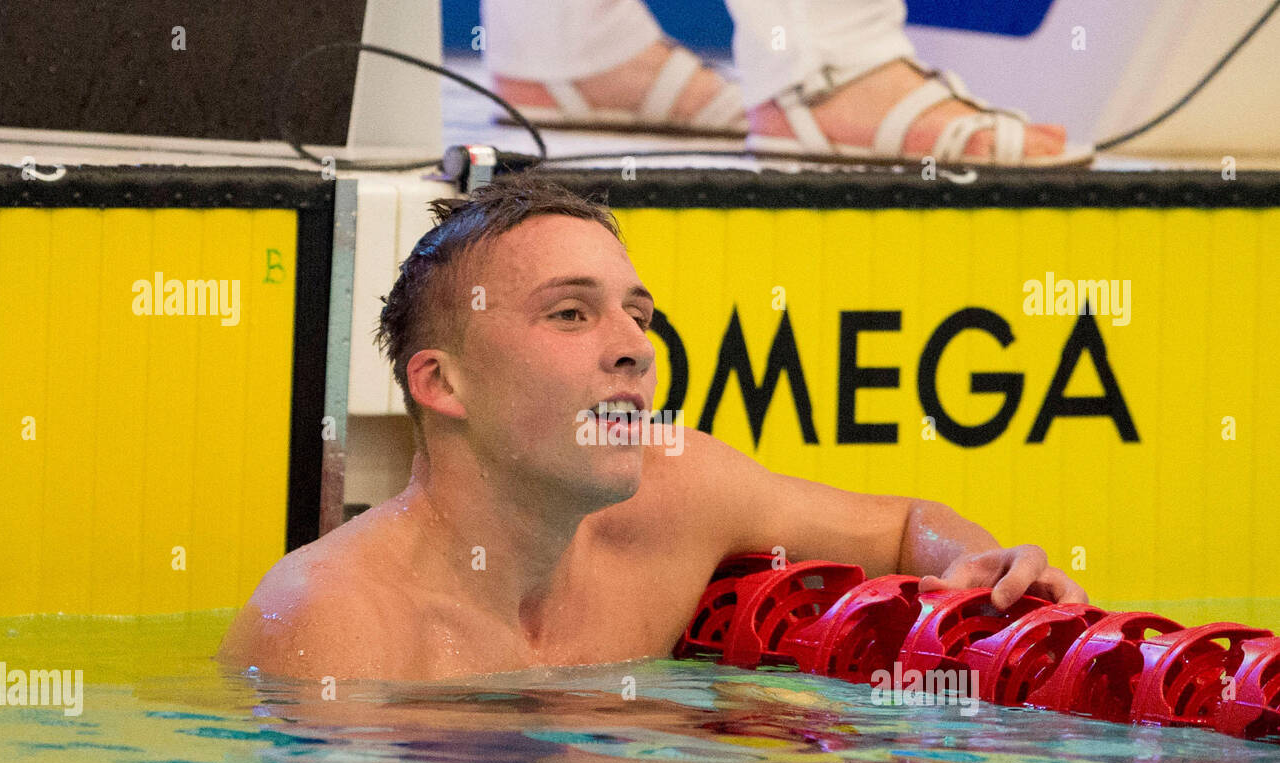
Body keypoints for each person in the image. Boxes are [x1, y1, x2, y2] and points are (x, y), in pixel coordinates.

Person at [217, 177, 1088, 681]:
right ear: (444, 383)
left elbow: (903, 527)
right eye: (570, 313)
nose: (635, 347)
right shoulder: (339, 627)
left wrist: (982, 567)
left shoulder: (680, 494)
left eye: (638, 315)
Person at [483, 0, 1091, 167]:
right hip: (821, 68)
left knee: (562, 36)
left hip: (572, 54)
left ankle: (565, 43)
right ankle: (831, 64)